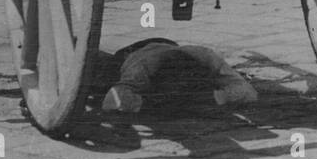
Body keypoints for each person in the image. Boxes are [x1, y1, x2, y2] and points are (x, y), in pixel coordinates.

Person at [88, 38, 258, 117]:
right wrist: (155, 105)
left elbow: (248, 92)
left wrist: (215, 97)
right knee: (95, 76)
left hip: (166, 45)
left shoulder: (206, 57)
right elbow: (112, 101)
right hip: (130, 55)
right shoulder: (141, 70)